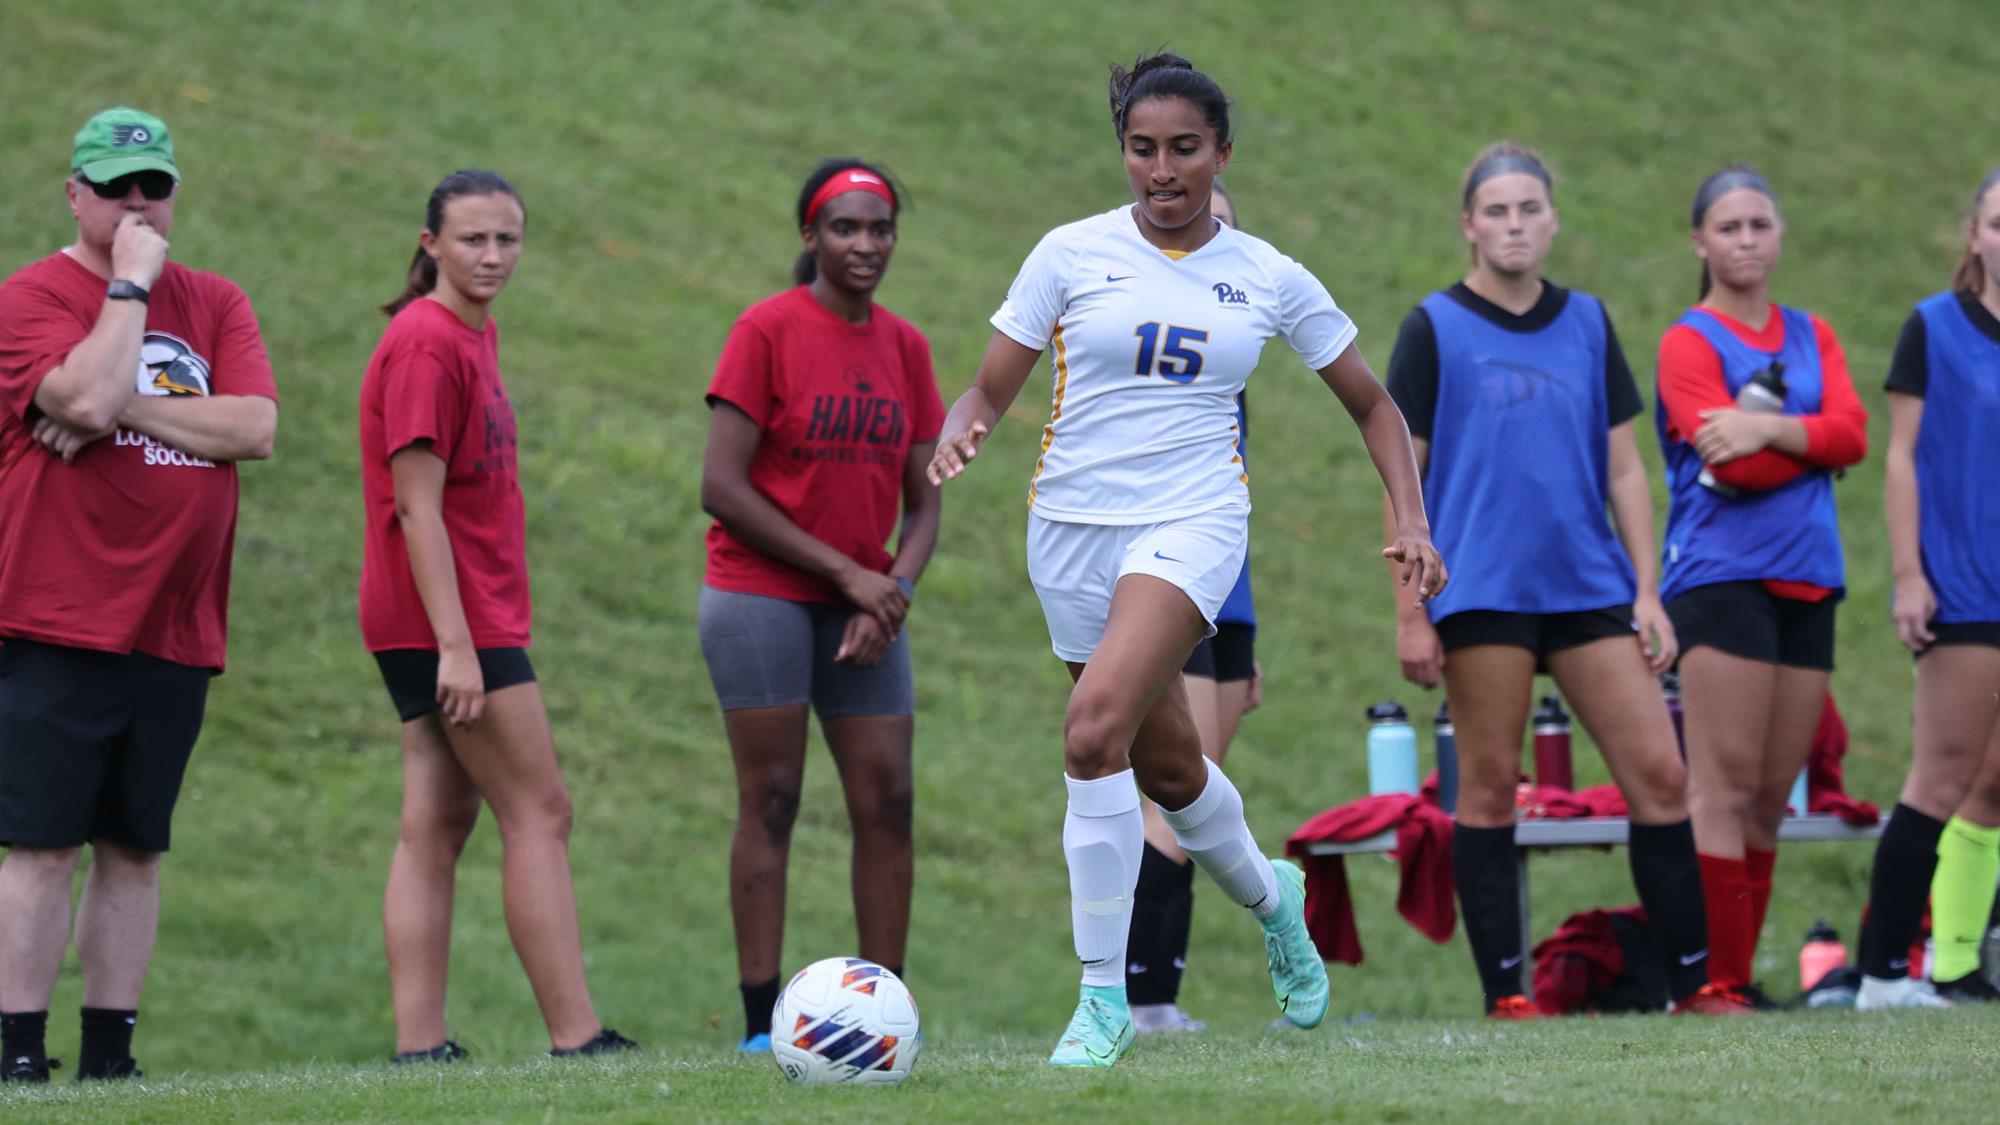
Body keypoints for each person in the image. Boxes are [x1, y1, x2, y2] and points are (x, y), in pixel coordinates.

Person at [929, 53, 1443, 1066]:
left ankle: (1098, 999)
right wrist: (964, 427)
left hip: (1192, 521)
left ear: (1220, 153)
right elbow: (987, 389)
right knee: (1166, 766)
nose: (1160, 170)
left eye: (1183, 149)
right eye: (1140, 148)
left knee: (1089, 736)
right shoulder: (1067, 254)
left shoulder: (1268, 276)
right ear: (1122, 149)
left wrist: (1410, 518)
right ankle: (1274, 899)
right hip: (1070, 531)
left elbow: (1375, 405)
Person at [1385, 142, 1739, 1018]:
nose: (1514, 225)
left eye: (1529, 210)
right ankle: (1508, 994)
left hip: (1589, 588)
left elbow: (1625, 469)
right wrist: (1411, 613)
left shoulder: (1587, 321)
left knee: (1659, 775)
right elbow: (1404, 480)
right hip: (1480, 590)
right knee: (1493, 786)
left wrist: (1648, 591)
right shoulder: (1433, 325)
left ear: (1552, 221)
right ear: (1468, 224)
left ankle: (1695, 985)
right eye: (1496, 211)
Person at [0, 107, 277, 1083]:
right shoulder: (29, 297)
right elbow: (73, 400)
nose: (136, 204)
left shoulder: (218, 302)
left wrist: (123, 403)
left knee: (134, 847)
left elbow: (251, 427)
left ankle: (110, 1059)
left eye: (153, 186)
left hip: (174, 619)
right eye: (115, 187)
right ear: (73, 192)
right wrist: (129, 286)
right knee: (39, 847)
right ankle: (18, 1058)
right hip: (59, 616)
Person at [359, 170, 633, 1061]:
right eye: (472, 239)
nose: (492, 256)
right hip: (451, 620)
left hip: (452, 615)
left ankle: (419, 1046)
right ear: (430, 242)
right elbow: (415, 506)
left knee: (436, 824)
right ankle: (576, 1035)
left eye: (507, 239)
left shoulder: (472, 334)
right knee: (540, 810)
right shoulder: (427, 343)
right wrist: (458, 648)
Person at [698, 159, 942, 1053]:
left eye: (880, 228)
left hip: (869, 606)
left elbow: (926, 501)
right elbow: (721, 486)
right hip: (760, 595)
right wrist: (852, 578)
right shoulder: (766, 330)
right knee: (772, 798)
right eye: (845, 228)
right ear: (811, 236)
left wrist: (895, 591)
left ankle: (887, 1016)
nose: (865, 244)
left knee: (889, 799)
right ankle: (764, 1022)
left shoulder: (906, 347)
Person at [1654, 165, 1868, 1004]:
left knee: (1773, 794)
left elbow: (1850, 434)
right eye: (1730, 227)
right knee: (1726, 785)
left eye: (1760, 225)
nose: (1747, 240)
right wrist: (1798, 441)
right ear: (1700, 242)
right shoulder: (1690, 340)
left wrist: (1770, 426)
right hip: (1722, 578)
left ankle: (1739, 977)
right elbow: (1722, 459)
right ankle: (1721, 981)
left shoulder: (1814, 333)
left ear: (1779, 236)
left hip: (1809, 577)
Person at [1854, 168, 2000, 1010]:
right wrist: (1911, 575)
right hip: (1965, 590)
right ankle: (1878, 976)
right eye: (1997, 221)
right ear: (1973, 236)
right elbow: (1901, 457)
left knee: (1994, 787)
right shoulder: (1935, 328)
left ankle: (1954, 967)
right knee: (1939, 778)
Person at [1124, 180, 1266, 1036]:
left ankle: (1154, 996)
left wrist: (1249, 639)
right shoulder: (1142, 348)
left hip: (1228, 590)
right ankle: (1141, 998)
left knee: (1198, 793)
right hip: (1163, 579)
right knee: (1169, 795)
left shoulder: (1231, 349)